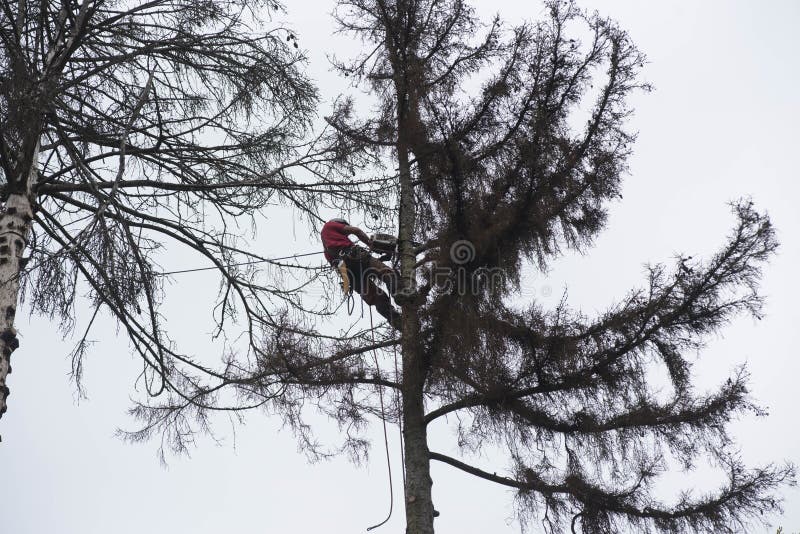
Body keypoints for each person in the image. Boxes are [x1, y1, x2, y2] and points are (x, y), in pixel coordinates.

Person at [321, 218, 401, 328]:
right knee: (387, 273)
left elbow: (340, 268)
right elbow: (356, 231)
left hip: (348, 273)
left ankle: (396, 320)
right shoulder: (330, 225)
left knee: (376, 297)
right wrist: (371, 244)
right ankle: (400, 293)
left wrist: (349, 283)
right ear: (341, 223)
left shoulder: (327, 251)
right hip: (355, 256)